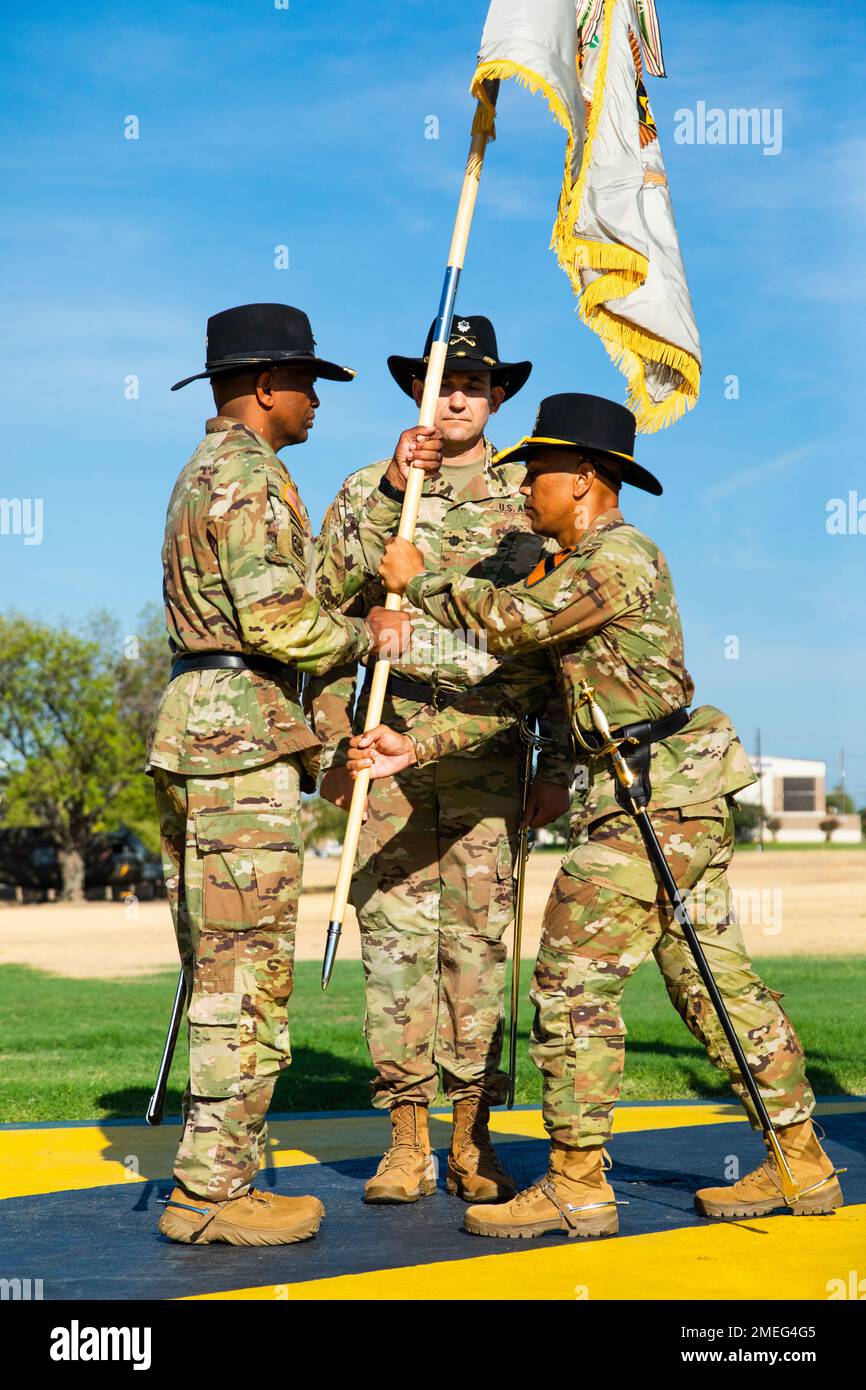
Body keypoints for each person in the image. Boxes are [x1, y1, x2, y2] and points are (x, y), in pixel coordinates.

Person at [347, 392, 842, 1239]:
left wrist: (416, 580)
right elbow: (511, 699)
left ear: (581, 480)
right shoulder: (572, 571)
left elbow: (506, 623)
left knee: (571, 983)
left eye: (535, 475)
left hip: (652, 801)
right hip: (666, 798)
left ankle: (576, 1184)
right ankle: (802, 1162)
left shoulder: (619, 559)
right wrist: (413, 748)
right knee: (710, 982)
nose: (524, 492)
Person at [147, 302, 441, 1246]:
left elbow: (291, 593)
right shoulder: (251, 476)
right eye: (307, 383)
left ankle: (212, 1178)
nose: (316, 401)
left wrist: (394, 491)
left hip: (208, 730)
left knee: (222, 968)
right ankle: (212, 1196)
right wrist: (371, 635)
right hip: (240, 744)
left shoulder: (210, 472)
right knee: (247, 975)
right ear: (265, 386)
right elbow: (281, 621)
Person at [310, 316, 573, 1205]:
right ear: (416, 395)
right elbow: (314, 610)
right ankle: (404, 1139)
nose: (454, 394)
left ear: (499, 395)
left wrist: (557, 766)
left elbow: (553, 644)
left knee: (475, 948)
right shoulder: (367, 488)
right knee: (393, 945)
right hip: (383, 744)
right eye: (437, 381)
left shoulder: (527, 498)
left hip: (489, 745)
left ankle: (471, 1137)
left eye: (471, 381)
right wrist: (391, 491)